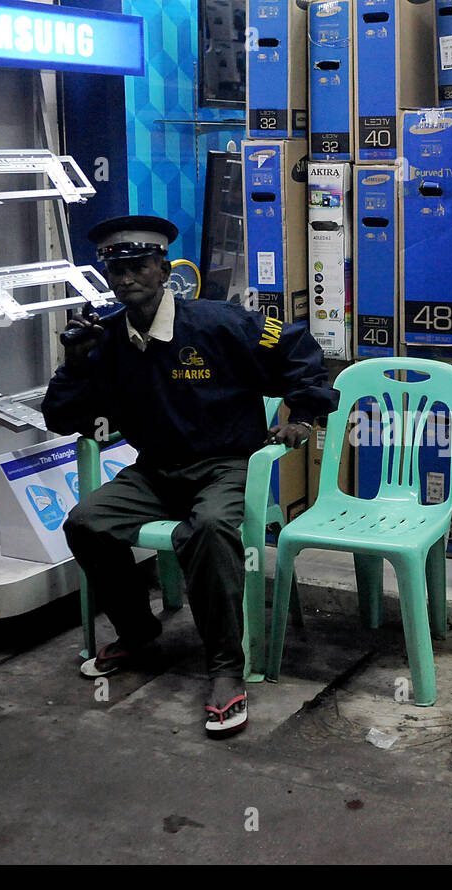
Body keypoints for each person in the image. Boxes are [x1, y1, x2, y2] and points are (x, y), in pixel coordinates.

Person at [42, 215, 338, 735]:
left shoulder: (218, 322)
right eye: (117, 269)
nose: (127, 278)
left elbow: (298, 349)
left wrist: (305, 414)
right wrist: (75, 364)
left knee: (209, 528)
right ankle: (138, 634)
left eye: (138, 266)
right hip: (155, 472)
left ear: (163, 270)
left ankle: (225, 667)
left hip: (225, 466)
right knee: (86, 522)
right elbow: (64, 419)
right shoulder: (107, 339)